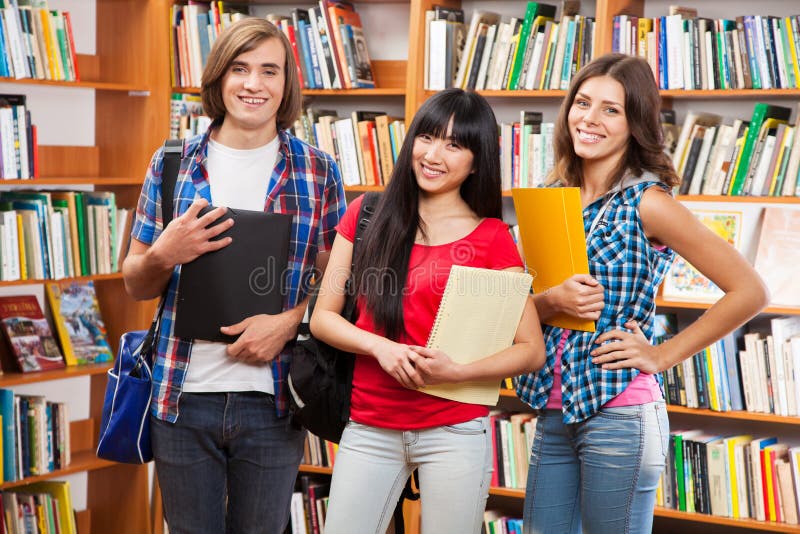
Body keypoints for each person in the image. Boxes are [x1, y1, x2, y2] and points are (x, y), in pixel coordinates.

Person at [516, 53, 769, 534]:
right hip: (551, 410)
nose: (589, 119)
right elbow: (526, 303)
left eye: (611, 109)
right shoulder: (552, 196)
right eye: (583, 103)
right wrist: (548, 303)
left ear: (635, 124)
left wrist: (661, 355)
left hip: (619, 413)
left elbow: (750, 290)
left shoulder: (648, 203)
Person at [122, 18, 345, 534]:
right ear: (219, 78)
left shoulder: (318, 170)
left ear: (287, 83)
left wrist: (288, 323)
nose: (254, 84)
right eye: (240, 68)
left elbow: (341, 284)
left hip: (272, 402)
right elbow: (136, 283)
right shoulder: (172, 162)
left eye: (270, 71)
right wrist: (165, 253)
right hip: (181, 399)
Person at [310, 88, 546, 534]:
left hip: (454, 431)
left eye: (455, 145)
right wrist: (383, 349)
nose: (434, 154)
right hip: (369, 425)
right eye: (428, 137)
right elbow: (324, 318)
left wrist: (455, 372)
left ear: (476, 162)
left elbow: (531, 350)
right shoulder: (366, 215)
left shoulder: (492, 237)